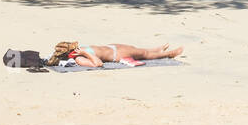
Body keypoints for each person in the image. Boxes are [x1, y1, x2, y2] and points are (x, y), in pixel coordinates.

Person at [46, 41, 183, 68]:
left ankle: (157, 49)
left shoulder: (78, 51)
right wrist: (84, 53)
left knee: (137, 49)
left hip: (113, 47)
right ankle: (169, 54)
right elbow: (98, 64)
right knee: (144, 54)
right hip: (116, 54)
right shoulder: (79, 58)